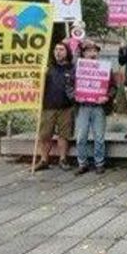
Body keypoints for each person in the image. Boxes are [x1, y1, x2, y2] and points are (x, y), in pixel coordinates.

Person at [74, 40, 117, 175]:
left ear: (98, 53)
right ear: (84, 53)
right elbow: (69, 86)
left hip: (99, 107)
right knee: (81, 137)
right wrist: (75, 96)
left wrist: (108, 97)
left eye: (94, 51)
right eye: (89, 51)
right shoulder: (77, 68)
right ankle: (82, 164)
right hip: (83, 106)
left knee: (99, 137)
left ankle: (99, 163)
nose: (92, 53)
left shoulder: (105, 68)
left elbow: (113, 87)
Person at [35, 43, 76, 171]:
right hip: (48, 106)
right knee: (44, 134)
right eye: (56, 49)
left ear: (67, 52)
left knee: (64, 134)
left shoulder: (73, 68)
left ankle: (62, 159)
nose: (58, 52)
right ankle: (43, 159)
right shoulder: (47, 68)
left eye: (61, 49)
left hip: (66, 106)